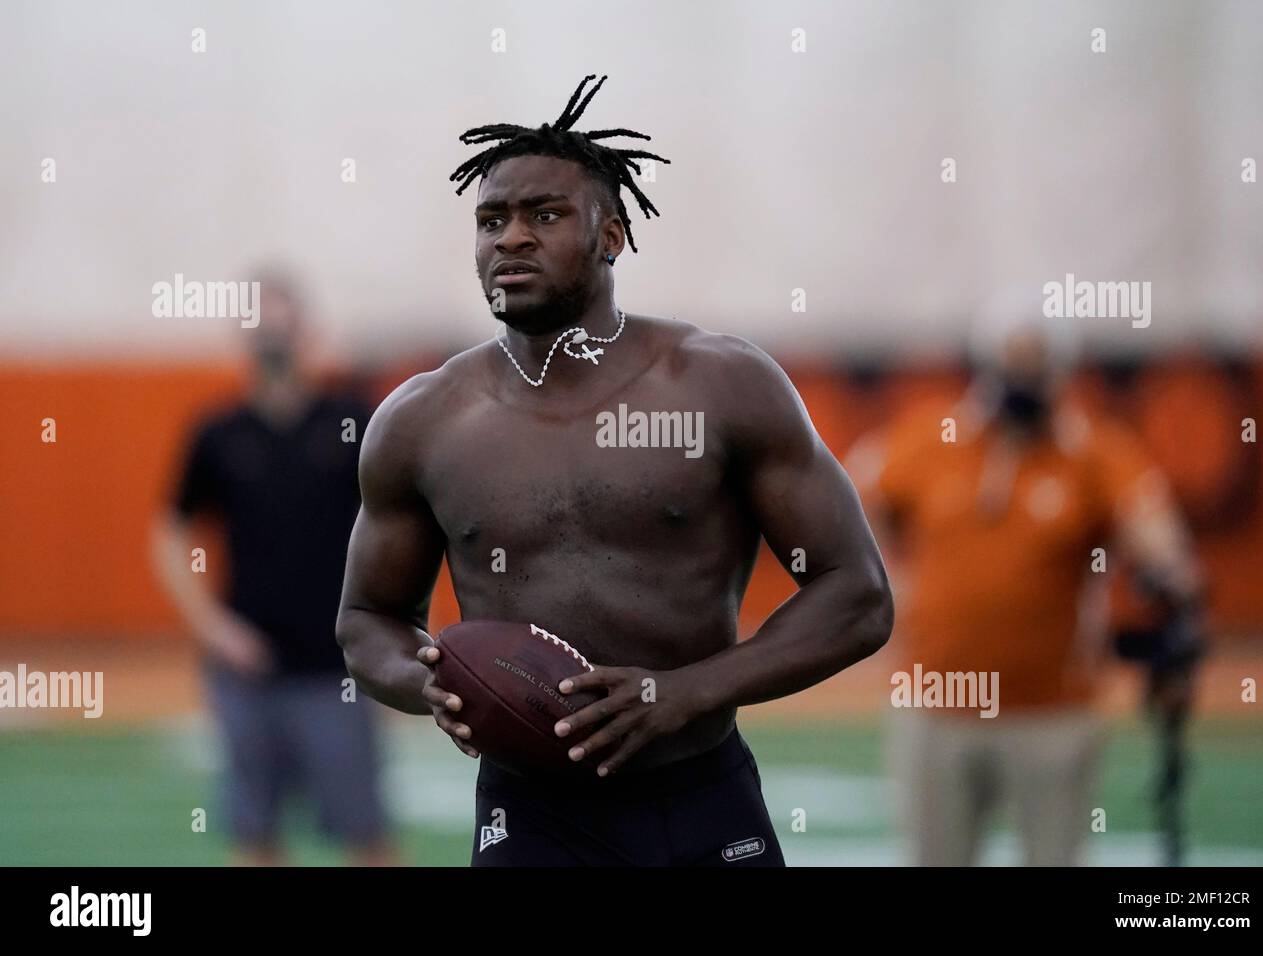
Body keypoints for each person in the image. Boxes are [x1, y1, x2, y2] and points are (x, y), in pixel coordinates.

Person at [335, 75, 894, 867]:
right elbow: (367, 619)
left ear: (612, 237)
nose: (512, 239)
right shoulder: (422, 419)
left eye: (545, 215)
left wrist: (685, 692)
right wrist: (429, 684)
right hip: (531, 811)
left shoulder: (720, 383)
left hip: (699, 792)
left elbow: (859, 595)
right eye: (491, 220)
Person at [848, 288, 1203, 866]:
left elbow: (1152, 527)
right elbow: (848, 502)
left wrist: (1171, 577)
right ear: (986, 364)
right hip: (936, 704)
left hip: (1051, 709)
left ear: (1060, 370)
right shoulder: (931, 439)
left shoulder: (1093, 451)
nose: (1023, 376)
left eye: (1036, 361)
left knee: (1054, 859)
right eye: (1013, 360)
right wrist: (888, 583)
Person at [153, 273, 395, 866]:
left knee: (365, 833)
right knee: (253, 833)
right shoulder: (217, 433)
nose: (272, 336)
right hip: (245, 671)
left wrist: (394, 636)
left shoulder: (353, 421)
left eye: (282, 322)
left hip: (336, 667)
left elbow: (402, 526)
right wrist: (212, 628)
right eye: (259, 323)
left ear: (308, 331)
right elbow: (169, 532)